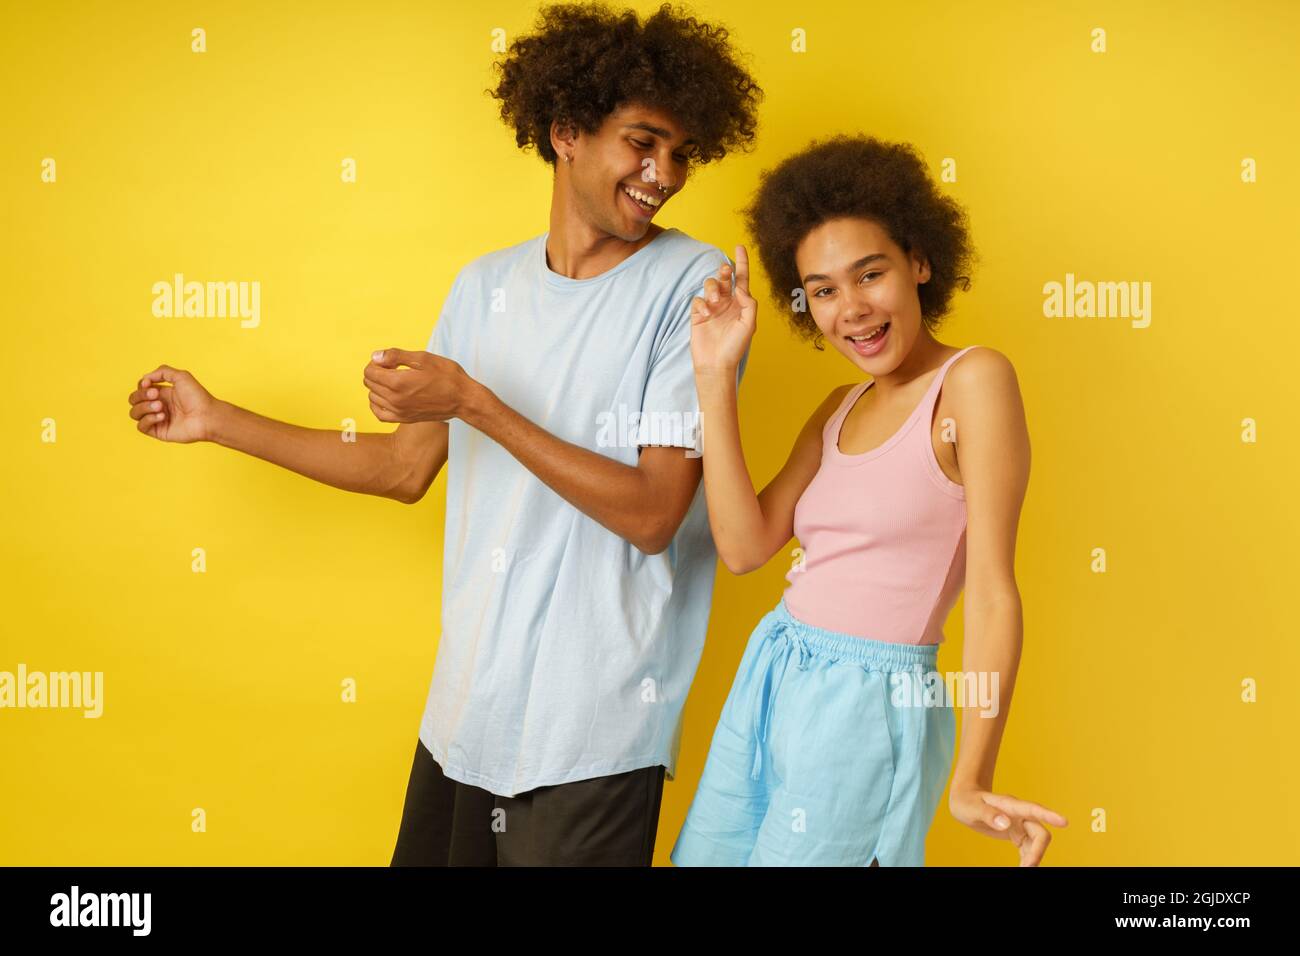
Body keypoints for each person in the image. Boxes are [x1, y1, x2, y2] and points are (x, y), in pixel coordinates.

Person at [125, 1, 762, 866]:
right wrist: (217, 420)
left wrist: (476, 404)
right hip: (467, 715)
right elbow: (401, 467)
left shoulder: (692, 285)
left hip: (595, 734)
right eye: (643, 142)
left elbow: (654, 513)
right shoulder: (484, 286)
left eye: (681, 154)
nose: (665, 172)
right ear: (566, 129)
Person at [671, 135, 1067, 866]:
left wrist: (973, 777)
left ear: (919, 261)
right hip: (773, 672)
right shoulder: (838, 406)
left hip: (868, 709)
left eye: (870, 274)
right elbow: (744, 545)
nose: (851, 309)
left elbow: (991, 595)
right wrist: (712, 375)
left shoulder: (973, 382)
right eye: (823, 290)